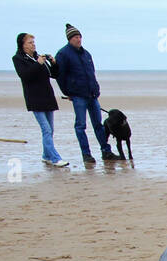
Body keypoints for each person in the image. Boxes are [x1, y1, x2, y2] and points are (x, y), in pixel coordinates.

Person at [54, 23, 116, 163]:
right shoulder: (63, 54)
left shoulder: (86, 53)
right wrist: (67, 92)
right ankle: (86, 154)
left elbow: (91, 73)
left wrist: (96, 88)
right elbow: (60, 75)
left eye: (79, 36)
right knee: (80, 126)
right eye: (75, 37)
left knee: (99, 125)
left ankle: (106, 151)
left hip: (92, 94)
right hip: (77, 95)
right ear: (69, 39)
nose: (78, 39)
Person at [12, 33, 67, 167]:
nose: (33, 45)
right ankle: (55, 158)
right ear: (22, 45)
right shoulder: (18, 58)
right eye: (30, 42)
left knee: (50, 129)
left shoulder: (38, 57)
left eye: (34, 42)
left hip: (47, 96)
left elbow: (54, 74)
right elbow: (25, 75)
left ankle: (46, 155)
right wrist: (37, 64)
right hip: (35, 98)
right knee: (46, 129)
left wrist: (53, 63)